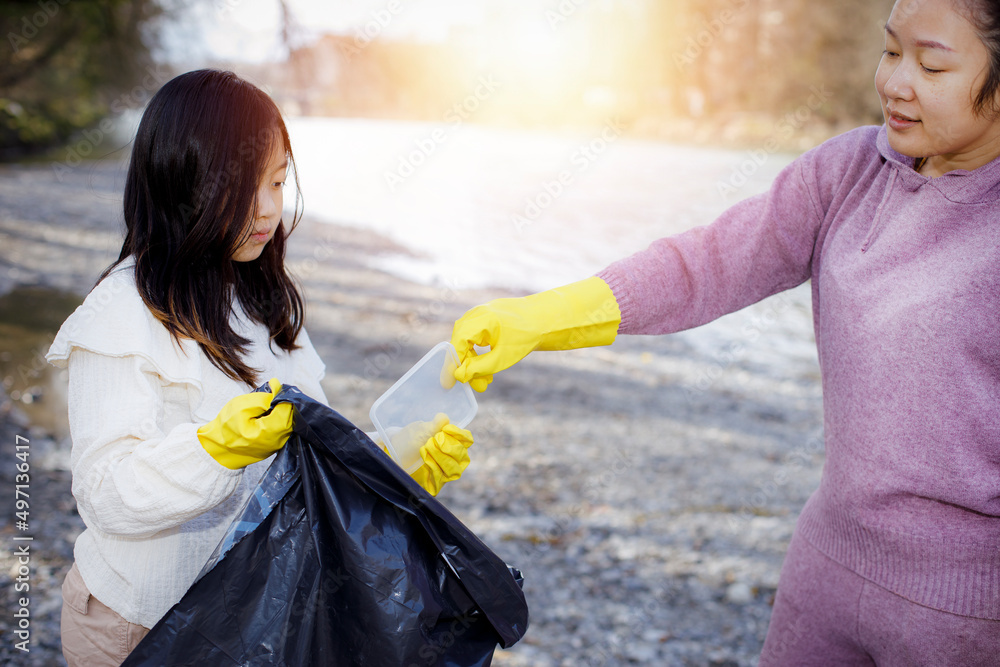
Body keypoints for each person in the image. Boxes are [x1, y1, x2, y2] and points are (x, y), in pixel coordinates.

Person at [449, 0, 1000, 664]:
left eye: (931, 63)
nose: (894, 82)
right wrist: (540, 318)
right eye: (890, 51)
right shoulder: (851, 170)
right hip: (826, 563)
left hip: (966, 612)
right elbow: (709, 263)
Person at [46, 69, 473, 667]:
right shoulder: (121, 313)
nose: (270, 209)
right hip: (135, 624)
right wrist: (214, 450)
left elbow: (312, 462)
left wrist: (397, 460)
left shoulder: (263, 301)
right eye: (247, 187)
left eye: (277, 183)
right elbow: (104, 495)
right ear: (182, 181)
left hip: (244, 623)